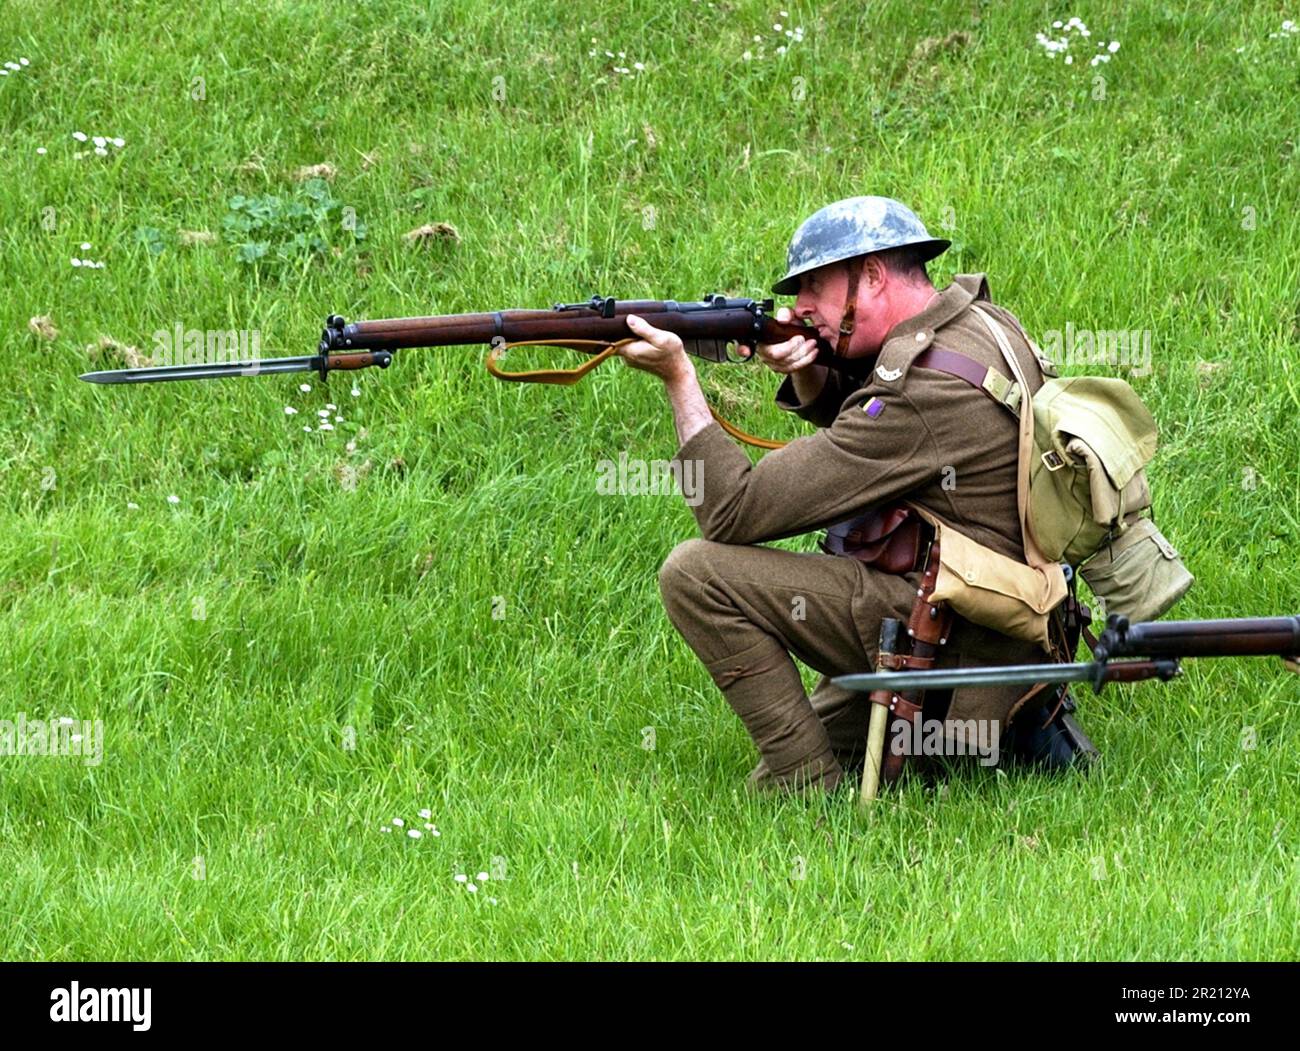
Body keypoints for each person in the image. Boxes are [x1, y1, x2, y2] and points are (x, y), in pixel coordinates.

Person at [617, 196, 1090, 795]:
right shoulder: (979, 326)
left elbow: (730, 511)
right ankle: (988, 732)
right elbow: (881, 428)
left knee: (694, 574)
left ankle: (806, 786)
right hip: (1010, 622)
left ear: (870, 275)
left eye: (814, 285)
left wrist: (680, 381)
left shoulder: (919, 394)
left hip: (956, 637)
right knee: (809, 747)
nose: (800, 307)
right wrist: (811, 371)